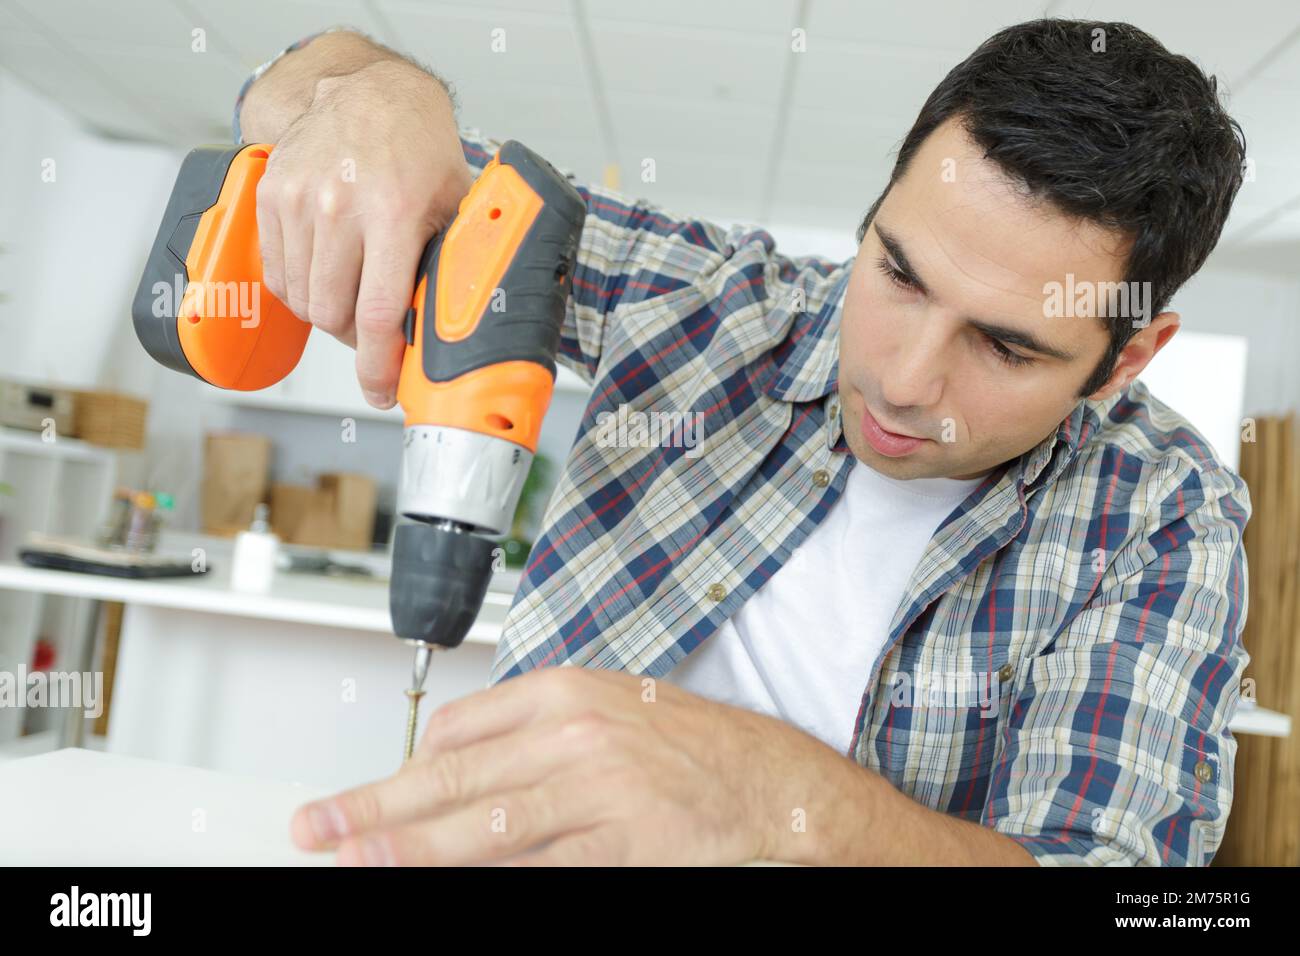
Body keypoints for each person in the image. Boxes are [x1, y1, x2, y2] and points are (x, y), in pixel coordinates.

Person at [235, 19, 1250, 866]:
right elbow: (291, 104)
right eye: (898, 275)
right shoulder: (713, 307)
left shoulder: (1163, 517)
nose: (902, 380)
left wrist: (772, 787)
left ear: (1125, 358)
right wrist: (368, 90)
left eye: (1005, 346)